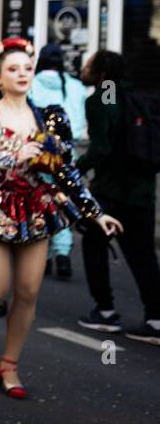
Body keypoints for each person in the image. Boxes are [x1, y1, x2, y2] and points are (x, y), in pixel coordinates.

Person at [0, 37, 121, 399]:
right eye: (13, 69)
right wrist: (14, 155)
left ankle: (9, 364)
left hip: (35, 207)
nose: (22, 74)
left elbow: (65, 170)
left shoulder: (49, 115)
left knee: (28, 291)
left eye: (27, 67)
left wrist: (95, 212)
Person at [75, 50, 160, 343]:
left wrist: (73, 171)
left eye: (88, 65)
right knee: (143, 255)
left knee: (94, 244)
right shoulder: (137, 98)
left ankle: (106, 312)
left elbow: (101, 147)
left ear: (100, 74)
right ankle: (156, 318)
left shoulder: (101, 99)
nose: (83, 68)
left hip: (112, 191)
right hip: (144, 191)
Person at [29, 43, 88, 281]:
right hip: (67, 154)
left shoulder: (30, 83)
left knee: (40, 202)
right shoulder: (75, 86)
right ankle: (62, 252)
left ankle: (43, 257)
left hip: (38, 153)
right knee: (63, 201)